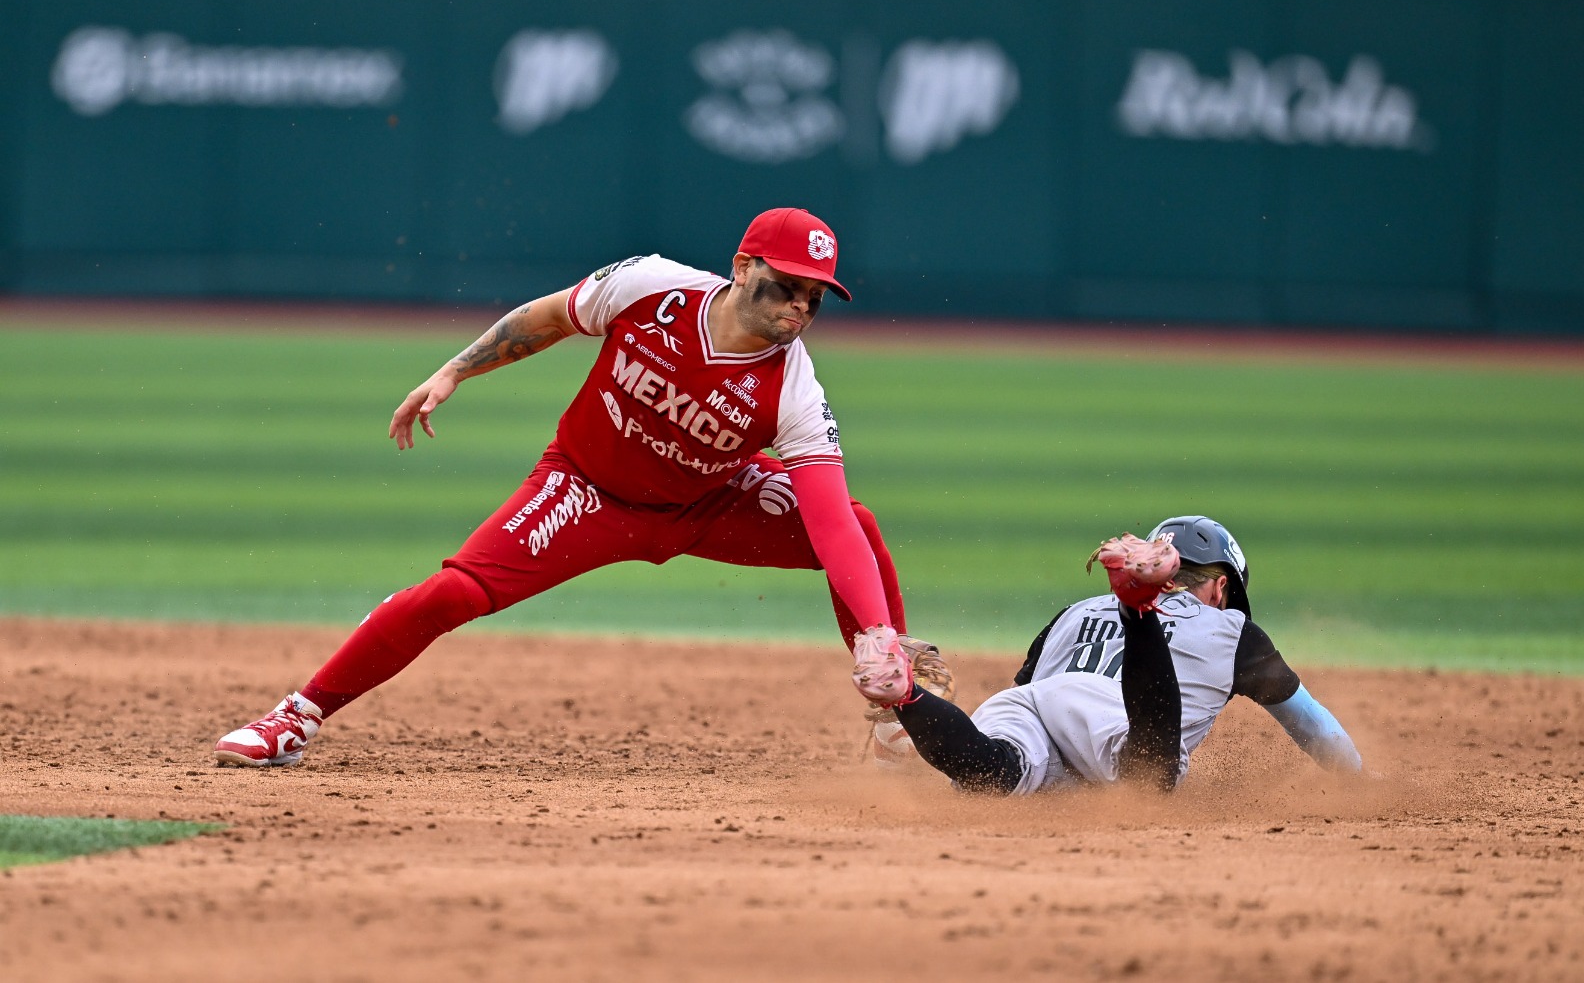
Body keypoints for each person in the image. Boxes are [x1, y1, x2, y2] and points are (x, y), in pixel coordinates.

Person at [216, 207, 916, 767]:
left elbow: (830, 521)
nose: (799, 307)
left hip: (711, 501)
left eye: (814, 297)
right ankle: (295, 717)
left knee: (860, 525)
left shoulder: (795, 386)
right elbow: (549, 318)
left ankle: (896, 714)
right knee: (456, 592)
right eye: (786, 285)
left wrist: (878, 635)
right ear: (742, 267)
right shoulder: (653, 287)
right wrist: (455, 370)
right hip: (587, 491)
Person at [880, 516, 1362, 794]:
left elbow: (1026, 692)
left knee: (993, 770)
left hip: (1033, 704)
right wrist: (1362, 781)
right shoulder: (1233, 631)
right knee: (1149, 776)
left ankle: (905, 696)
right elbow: (1312, 724)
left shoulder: (1074, 611)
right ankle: (1137, 610)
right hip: (1114, 717)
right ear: (1220, 588)